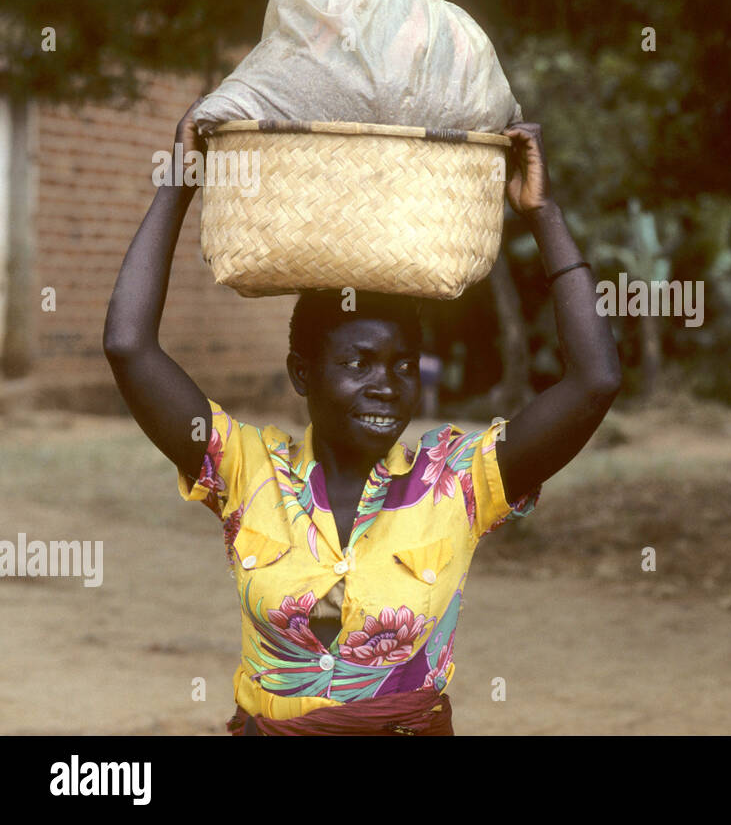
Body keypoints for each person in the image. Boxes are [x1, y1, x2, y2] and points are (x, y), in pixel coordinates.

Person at [103, 104, 620, 735]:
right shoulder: (244, 470)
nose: (386, 385)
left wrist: (543, 215)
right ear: (302, 375)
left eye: (404, 365)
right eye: (358, 362)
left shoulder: (456, 481)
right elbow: (129, 346)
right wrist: (179, 183)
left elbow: (594, 380)